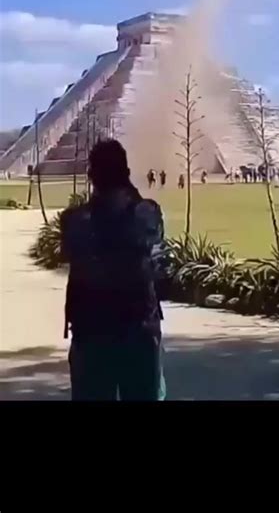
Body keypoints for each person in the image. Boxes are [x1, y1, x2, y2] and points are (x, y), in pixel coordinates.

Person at [60, 140, 166, 401]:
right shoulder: (147, 214)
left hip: (90, 331)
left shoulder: (74, 221)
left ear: (92, 176)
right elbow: (159, 263)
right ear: (126, 174)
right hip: (138, 329)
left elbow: (70, 252)